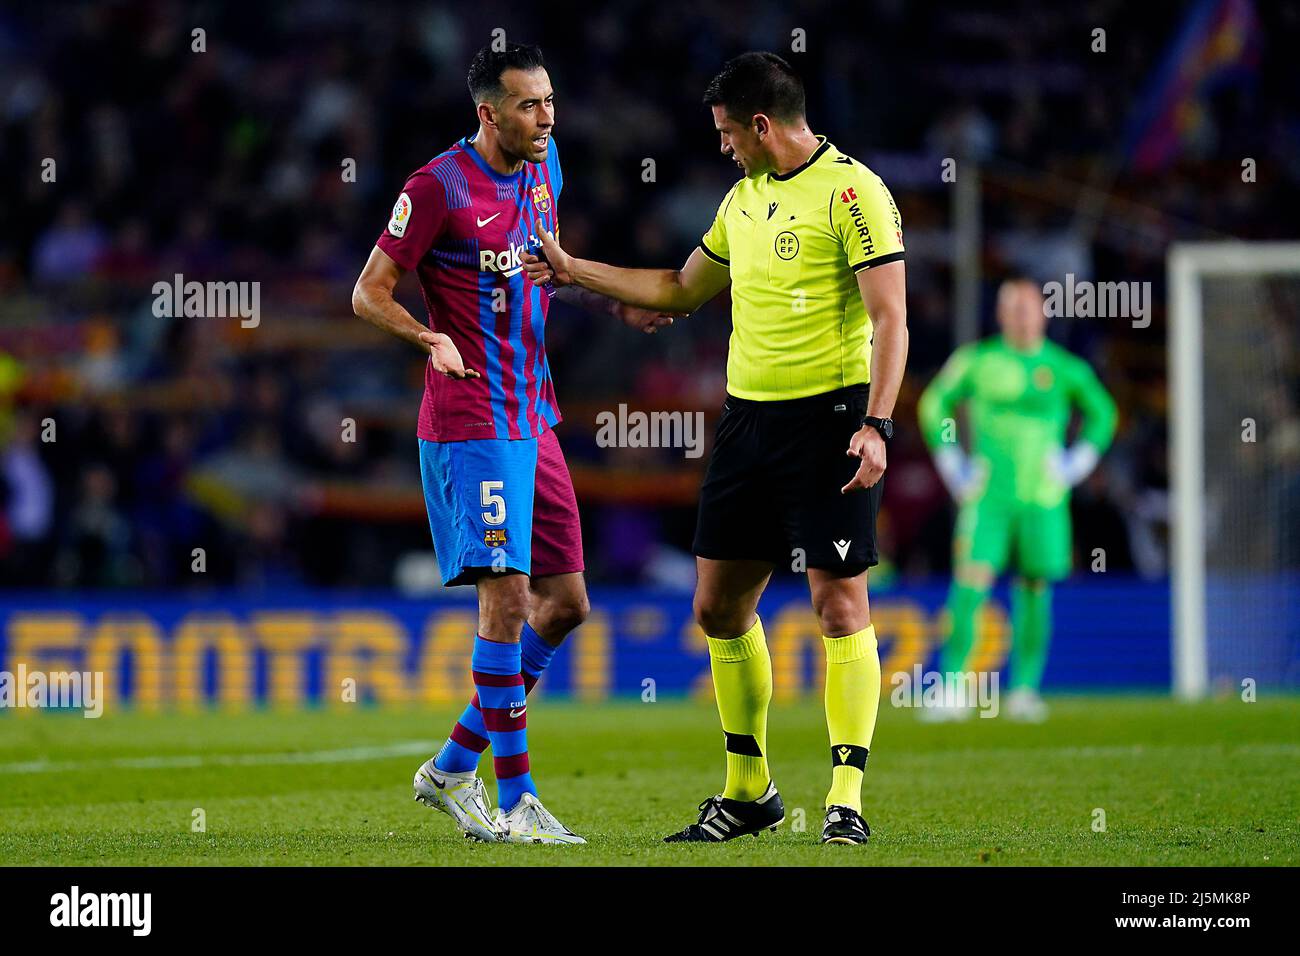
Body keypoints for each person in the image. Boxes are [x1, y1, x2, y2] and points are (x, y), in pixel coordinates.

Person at [524, 52, 908, 845]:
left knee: (839, 604)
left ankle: (845, 798)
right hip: (746, 424)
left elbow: (891, 319)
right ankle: (749, 790)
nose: (724, 146)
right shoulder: (742, 201)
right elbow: (678, 289)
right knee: (717, 605)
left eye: (729, 132)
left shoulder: (854, 191)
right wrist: (573, 272)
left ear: (762, 125)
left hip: (829, 421)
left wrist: (877, 426)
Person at [351, 42, 671, 845]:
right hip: (473, 420)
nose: (548, 118)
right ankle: (517, 798)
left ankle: (451, 768)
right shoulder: (437, 187)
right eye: (530, 105)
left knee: (566, 605)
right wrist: (429, 337)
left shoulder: (545, 166)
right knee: (507, 597)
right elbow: (367, 292)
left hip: (535, 414)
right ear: (488, 111)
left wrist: (615, 305)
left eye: (551, 102)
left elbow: (541, 272)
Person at [917, 278, 1117, 722]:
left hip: (1043, 500)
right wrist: (952, 460)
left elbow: (1104, 412)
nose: (1024, 316)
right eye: (1014, 308)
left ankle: (1025, 689)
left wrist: (1077, 461)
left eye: (1030, 308)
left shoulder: (1064, 368)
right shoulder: (978, 362)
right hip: (987, 498)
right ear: (1001, 315)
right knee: (970, 584)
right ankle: (952, 686)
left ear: (1043, 313)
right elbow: (935, 404)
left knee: (1034, 588)